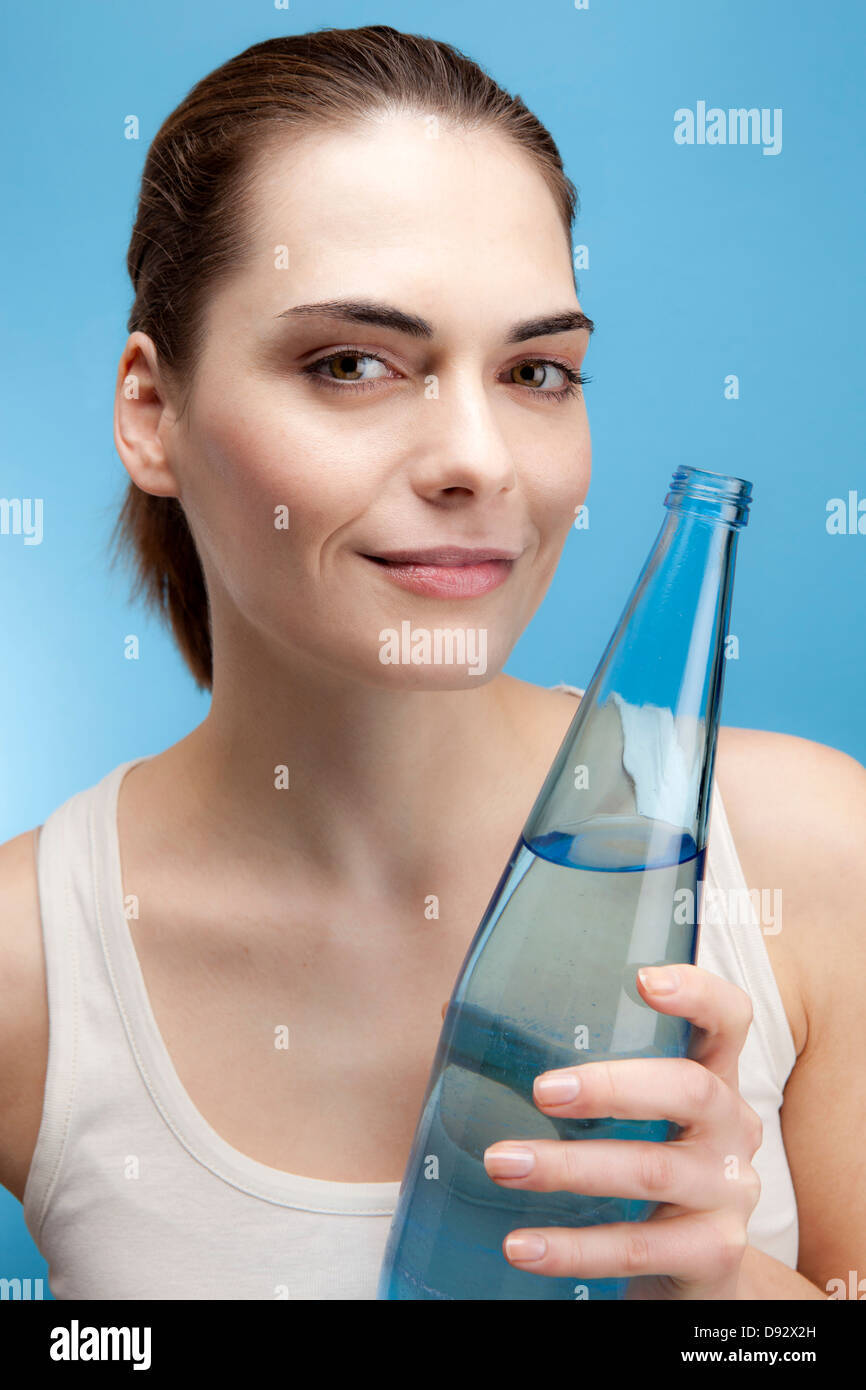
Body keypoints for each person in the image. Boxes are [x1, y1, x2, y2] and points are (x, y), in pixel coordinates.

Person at [0, 25, 863, 1301]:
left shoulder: (801, 852)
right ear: (152, 413)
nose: (479, 459)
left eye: (534, 371)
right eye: (352, 363)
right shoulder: (31, 964)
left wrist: (723, 1295)